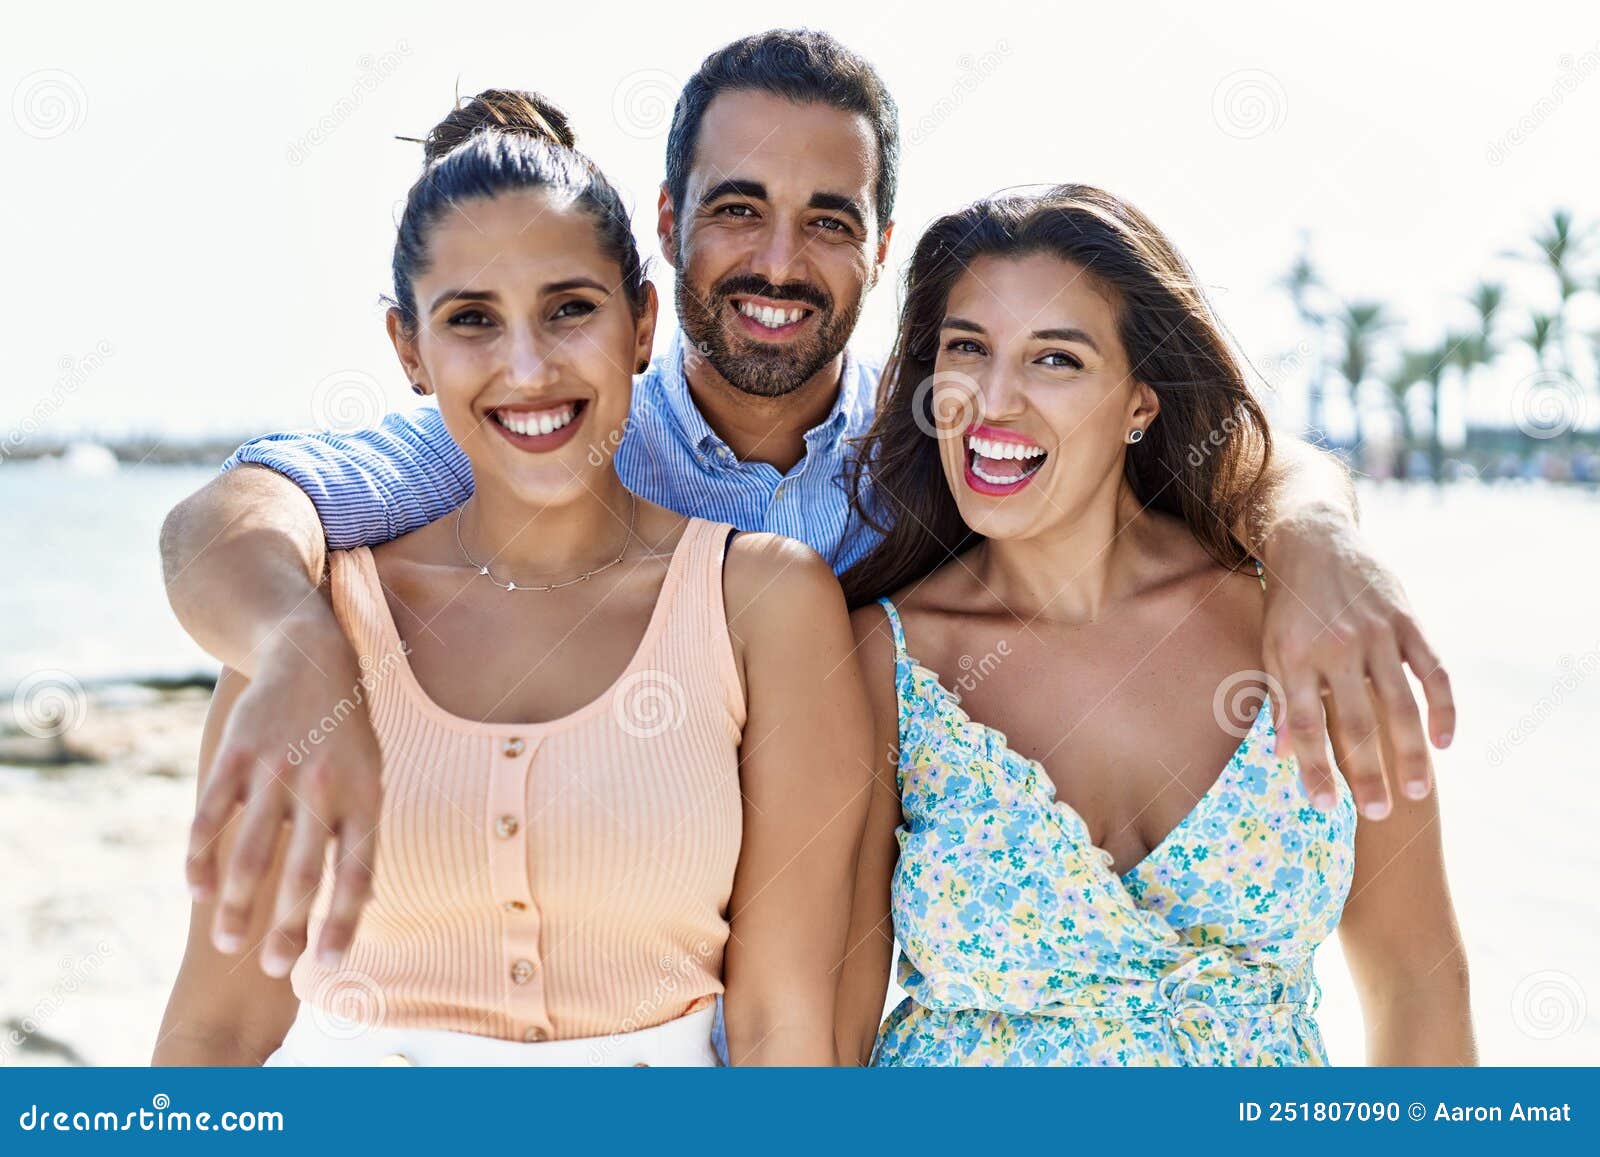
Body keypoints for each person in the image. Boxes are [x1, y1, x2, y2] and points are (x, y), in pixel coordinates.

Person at [158, 29, 1452, 993]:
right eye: (737, 211)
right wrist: (293, 647)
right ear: (666, 230)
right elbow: (234, 516)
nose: (779, 262)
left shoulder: (950, 452)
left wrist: (1321, 543)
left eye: (826, 220)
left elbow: (1209, 462)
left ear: (880, 248)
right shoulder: (548, 431)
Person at [154, 90, 872, 1066]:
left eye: (570, 309)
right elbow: (219, 1025)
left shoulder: (766, 606)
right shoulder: (316, 615)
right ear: (409, 349)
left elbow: (779, 1026)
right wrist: (295, 651)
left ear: (643, 322)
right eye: (472, 320)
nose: (527, 366)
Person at [834, 186, 1475, 1066]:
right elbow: (825, 1030)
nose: (992, 400)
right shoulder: (885, 659)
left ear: (1142, 401)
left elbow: (1418, 981)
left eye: (1054, 360)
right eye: (967, 349)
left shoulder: (1304, 627)